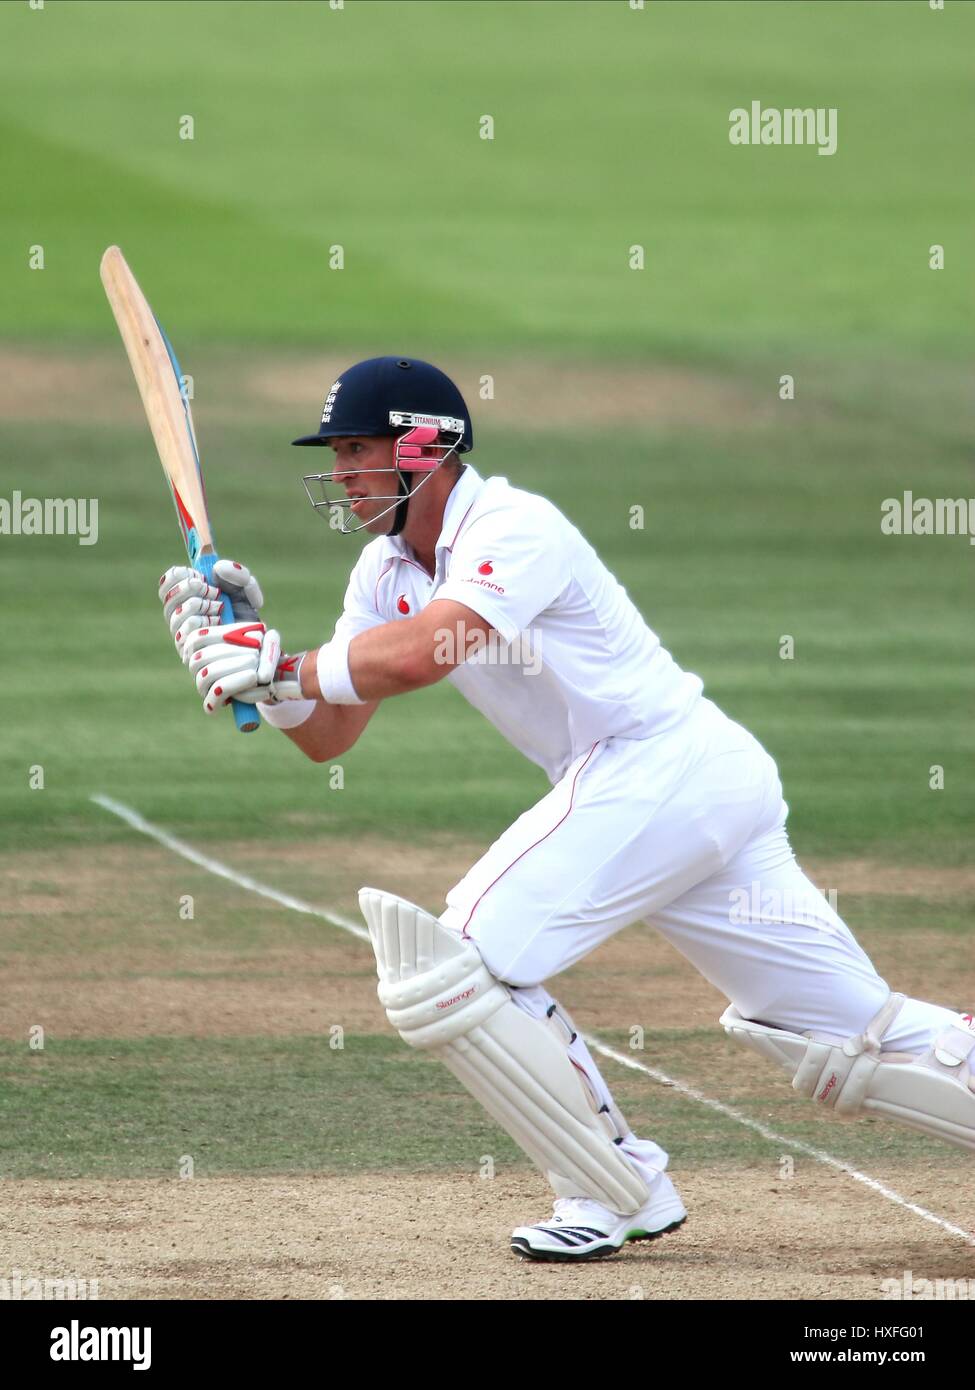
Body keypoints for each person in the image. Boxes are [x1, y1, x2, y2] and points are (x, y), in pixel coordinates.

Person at [158, 357, 975, 1262]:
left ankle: (613, 1187)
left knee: (454, 961)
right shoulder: (382, 568)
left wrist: (281, 664)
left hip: (655, 765)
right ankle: (614, 1181)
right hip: (676, 788)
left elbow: (435, 648)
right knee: (848, 1040)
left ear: (424, 446)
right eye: (338, 452)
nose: (343, 471)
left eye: (359, 448)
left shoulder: (513, 524)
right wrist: (251, 658)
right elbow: (331, 734)